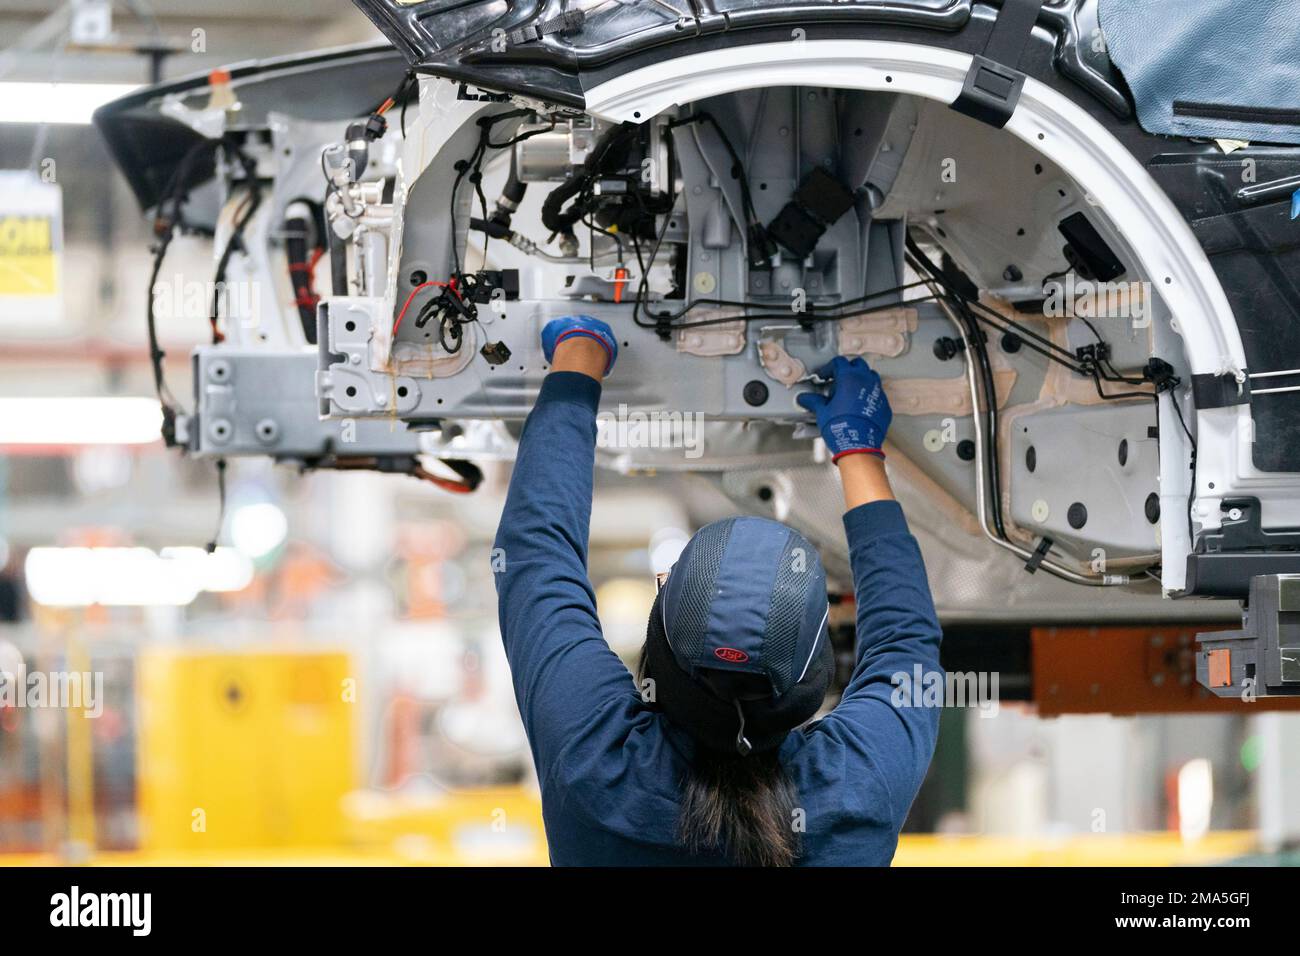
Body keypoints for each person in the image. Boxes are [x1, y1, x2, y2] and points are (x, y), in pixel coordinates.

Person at [492, 315, 943, 866]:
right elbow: (535, 562)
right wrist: (577, 354)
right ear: (815, 671)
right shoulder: (859, 787)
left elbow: (538, 558)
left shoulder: (593, 762)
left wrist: (859, 456)